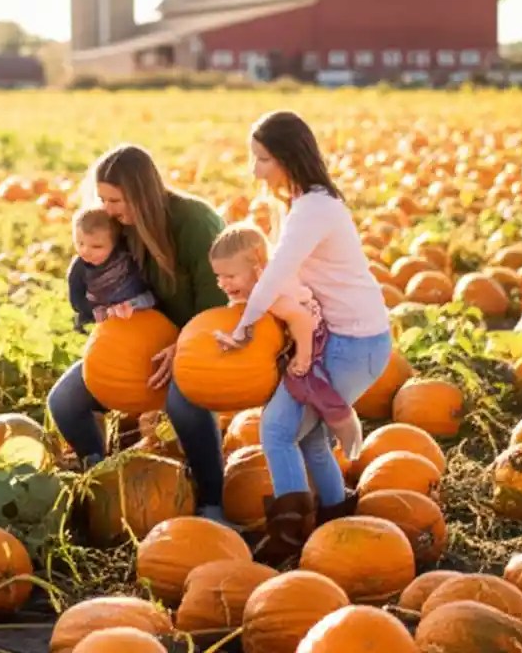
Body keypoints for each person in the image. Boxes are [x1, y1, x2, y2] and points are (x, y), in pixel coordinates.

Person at [216, 110, 393, 565]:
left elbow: (275, 274)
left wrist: (244, 327)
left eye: (263, 159)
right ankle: (335, 523)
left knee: (276, 430)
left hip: (356, 344)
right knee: (309, 437)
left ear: (288, 158)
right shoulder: (304, 203)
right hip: (347, 338)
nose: (255, 171)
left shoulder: (315, 208)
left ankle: (289, 539)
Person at [48, 144, 232, 524]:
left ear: (141, 193)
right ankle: (101, 482)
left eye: (115, 199)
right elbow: (93, 269)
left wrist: (182, 346)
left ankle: (213, 503)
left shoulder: (194, 223)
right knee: (64, 402)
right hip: (146, 346)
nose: (108, 209)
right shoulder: (120, 229)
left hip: (204, 343)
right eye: (102, 199)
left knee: (184, 403)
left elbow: (218, 306)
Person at [207, 222, 365, 459]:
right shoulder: (251, 290)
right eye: (218, 276)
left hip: (312, 331)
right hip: (290, 334)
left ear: (257, 268)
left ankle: (342, 419)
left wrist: (303, 356)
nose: (223, 284)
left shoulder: (271, 294)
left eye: (230, 276)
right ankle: (311, 428)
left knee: (304, 380)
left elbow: (301, 320)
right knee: (287, 387)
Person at [66, 206, 157, 331]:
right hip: (100, 310)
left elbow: (145, 284)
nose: (86, 251)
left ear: (115, 244)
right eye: (80, 243)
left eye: (96, 247)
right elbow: (76, 298)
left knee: (148, 302)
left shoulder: (126, 258)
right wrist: (92, 311)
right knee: (83, 322)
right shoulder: (79, 267)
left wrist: (133, 304)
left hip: (131, 304)